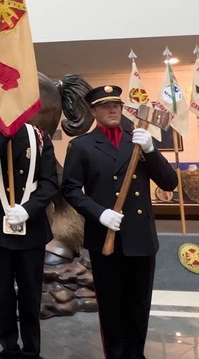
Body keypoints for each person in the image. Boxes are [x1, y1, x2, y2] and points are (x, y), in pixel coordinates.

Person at [61, 85, 179, 359]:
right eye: (104, 106)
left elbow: (169, 182)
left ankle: (136, 354)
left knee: (139, 304)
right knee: (111, 305)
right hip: (106, 237)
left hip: (140, 236)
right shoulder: (81, 146)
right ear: (93, 112)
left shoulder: (139, 139)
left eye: (116, 104)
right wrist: (98, 212)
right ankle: (114, 354)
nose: (113, 110)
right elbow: (70, 189)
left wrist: (151, 149)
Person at [0, 115, 59, 359]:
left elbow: (50, 182)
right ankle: (9, 349)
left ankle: (32, 351)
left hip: (31, 227)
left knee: (31, 294)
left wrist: (27, 209)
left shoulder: (40, 137)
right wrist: (4, 131)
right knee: (2, 294)